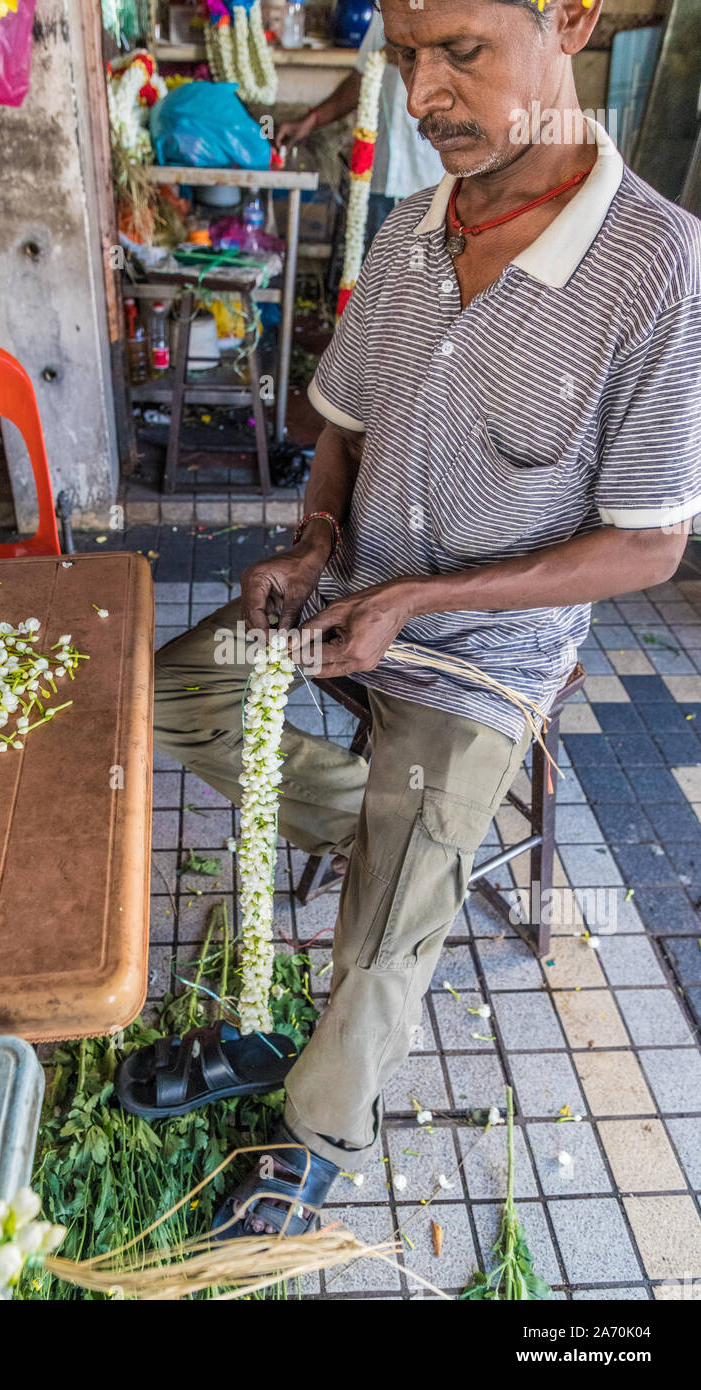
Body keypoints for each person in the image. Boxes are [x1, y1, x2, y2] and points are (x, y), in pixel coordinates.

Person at [143, 0, 700, 1237]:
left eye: (459, 49)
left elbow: (648, 541)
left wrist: (423, 601)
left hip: (482, 657)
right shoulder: (406, 231)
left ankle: (316, 1133)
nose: (423, 93)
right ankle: (400, 856)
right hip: (347, 598)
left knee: (381, 936)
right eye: (403, 54)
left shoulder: (657, 262)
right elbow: (339, 416)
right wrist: (314, 542)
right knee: (174, 693)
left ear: (567, 18)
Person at [276, 11, 445, 246]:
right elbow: (360, 78)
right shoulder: (384, 11)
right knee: (375, 275)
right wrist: (311, 121)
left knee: (426, 278)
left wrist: (409, 50)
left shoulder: (456, 9)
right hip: (378, 181)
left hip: (434, 185)